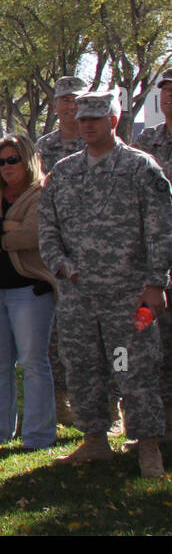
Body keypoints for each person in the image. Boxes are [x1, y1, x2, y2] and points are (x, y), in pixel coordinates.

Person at [39, 90, 172, 476]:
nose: (87, 125)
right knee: (83, 368)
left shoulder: (140, 168)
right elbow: (47, 227)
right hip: (79, 295)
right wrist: (61, 266)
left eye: (95, 119)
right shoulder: (64, 172)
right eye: (82, 119)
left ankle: (148, 447)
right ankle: (95, 441)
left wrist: (155, 283)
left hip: (129, 295)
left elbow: (161, 231)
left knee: (136, 370)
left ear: (113, 121)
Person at [0, 133, 58, 448]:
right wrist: (5, 226)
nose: (6, 167)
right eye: (1, 161)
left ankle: (38, 435)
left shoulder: (42, 192)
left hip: (30, 291)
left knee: (34, 362)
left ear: (27, 160)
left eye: (13, 160)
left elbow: (33, 236)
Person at [37, 76, 107, 431]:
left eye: (75, 100)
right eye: (63, 100)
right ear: (56, 105)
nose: (69, 106)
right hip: (55, 253)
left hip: (104, 255)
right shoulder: (43, 148)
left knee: (108, 336)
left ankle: (109, 407)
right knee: (58, 332)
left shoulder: (106, 145)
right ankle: (63, 402)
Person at [135, 68, 172, 430]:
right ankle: (160, 428)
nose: (171, 97)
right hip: (154, 261)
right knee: (155, 346)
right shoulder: (147, 144)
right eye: (167, 91)